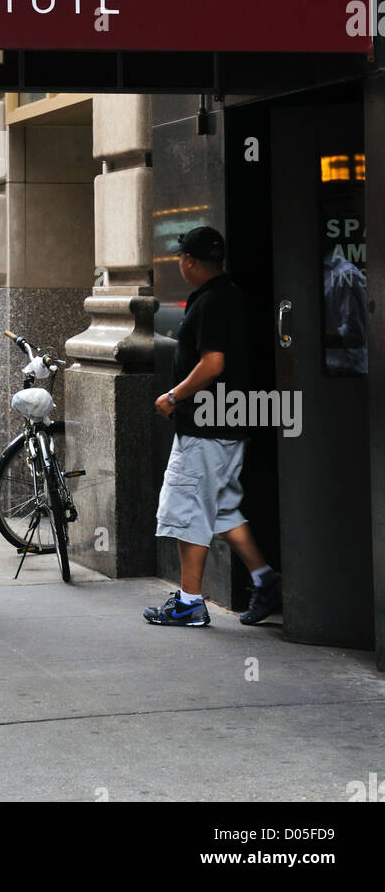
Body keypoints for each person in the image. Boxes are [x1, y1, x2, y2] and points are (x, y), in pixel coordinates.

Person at [144, 226, 282, 628]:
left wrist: (174, 396)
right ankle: (265, 579)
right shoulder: (228, 294)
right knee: (222, 508)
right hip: (226, 422)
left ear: (188, 261)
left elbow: (213, 364)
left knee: (189, 511)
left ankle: (189, 603)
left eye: (180, 259)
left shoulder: (212, 302)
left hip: (207, 427)